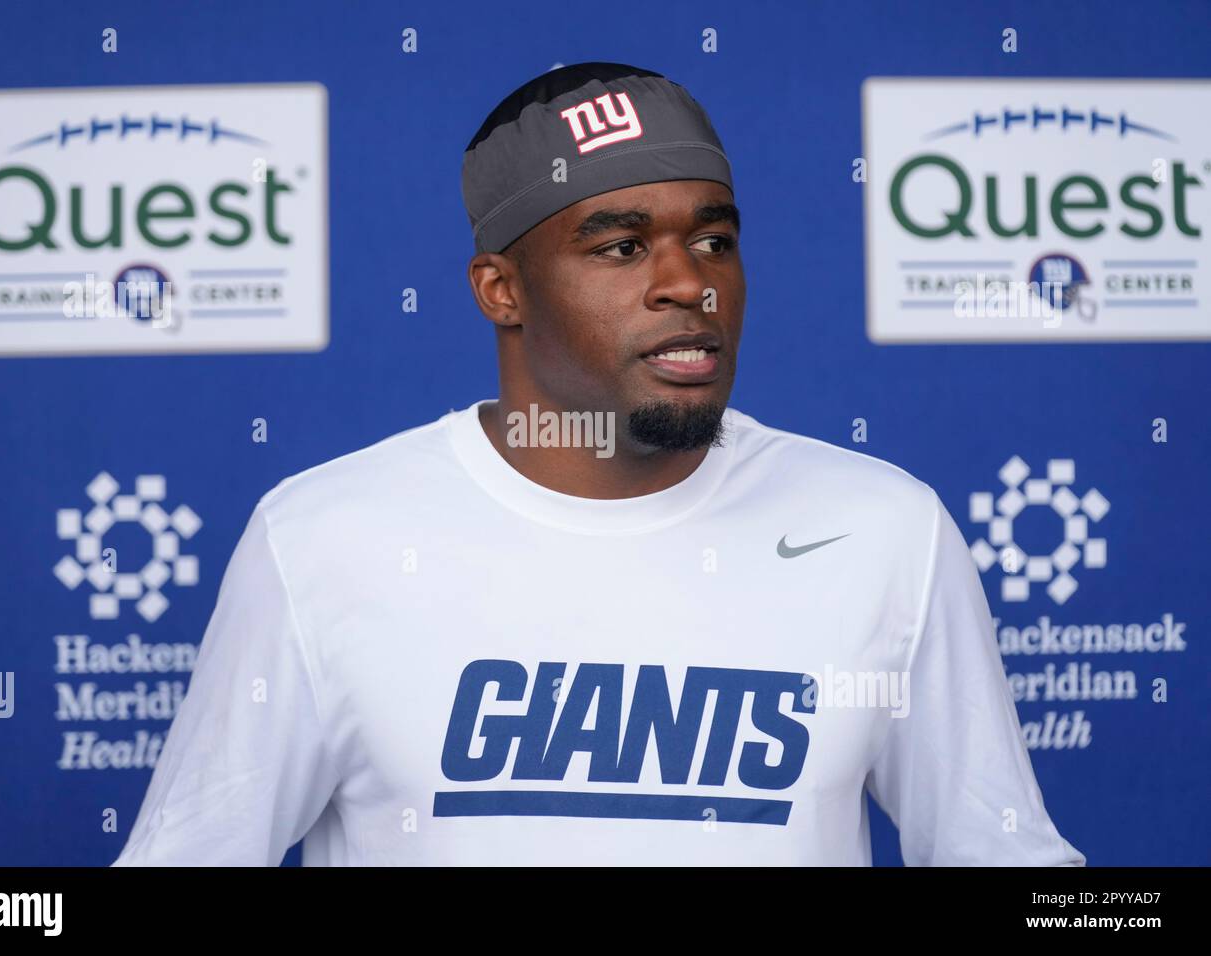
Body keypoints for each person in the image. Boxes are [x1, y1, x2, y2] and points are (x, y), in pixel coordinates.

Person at [113, 62, 1085, 866]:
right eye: (620, 246)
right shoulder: (324, 539)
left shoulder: (881, 530)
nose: (687, 283)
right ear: (501, 289)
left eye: (714, 239)